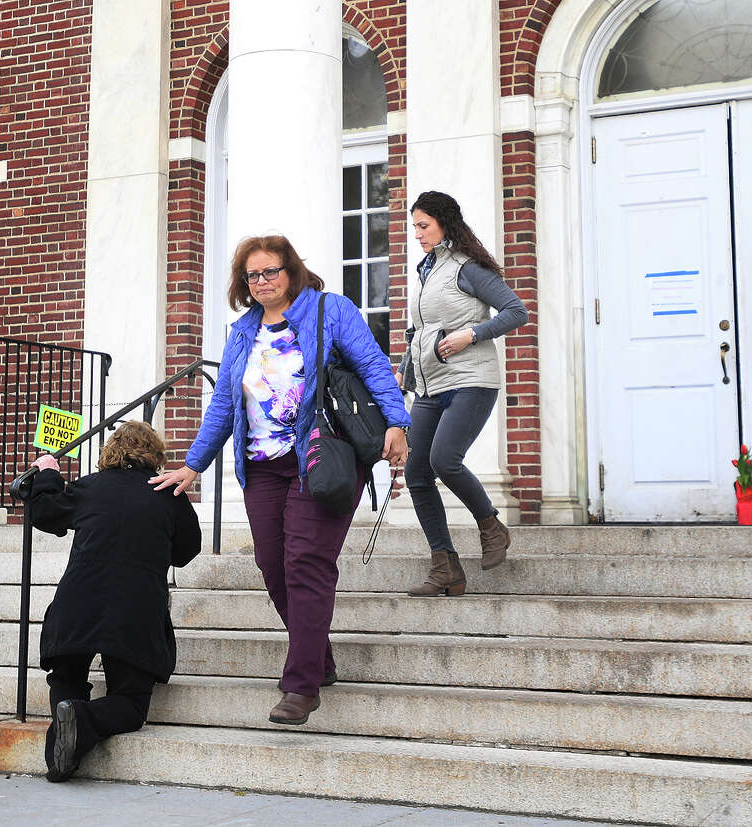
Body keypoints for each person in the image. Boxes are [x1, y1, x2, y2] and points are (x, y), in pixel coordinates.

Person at [150, 234, 410, 727]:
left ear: (291, 271)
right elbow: (225, 404)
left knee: (306, 563)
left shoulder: (330, 311)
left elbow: (374, 365)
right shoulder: (243, 331)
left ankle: (301, 685)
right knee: (273, 566)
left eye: (271, 271)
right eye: (253, 275)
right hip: (263, 466)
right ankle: (319, 658)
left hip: (323, 457)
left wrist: (397, 422)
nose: (262, 281)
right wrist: (193, 464)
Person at [27, 420, 201, 782]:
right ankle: (81, 717)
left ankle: (62, 752)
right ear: (154, 456)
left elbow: (43, 513)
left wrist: (47, 473)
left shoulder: (89, 488)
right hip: (135, 610)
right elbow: (187, 550)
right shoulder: (168, 492)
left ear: (110, 452)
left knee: (67, 675)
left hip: (78, 602)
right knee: (132, 703)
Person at [396, 190, 528, 597]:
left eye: (423, 226)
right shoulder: (426, 270)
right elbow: (420, 331)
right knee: (416, 473)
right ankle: (446, 568)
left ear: (443, 224)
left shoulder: (466, 268)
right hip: (430, 385)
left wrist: (472, 334)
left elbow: (515, 311)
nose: (416, 234)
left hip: (471, 379)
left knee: (443, 459)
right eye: (414, 226)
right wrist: (403, 371)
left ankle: (491, 525)